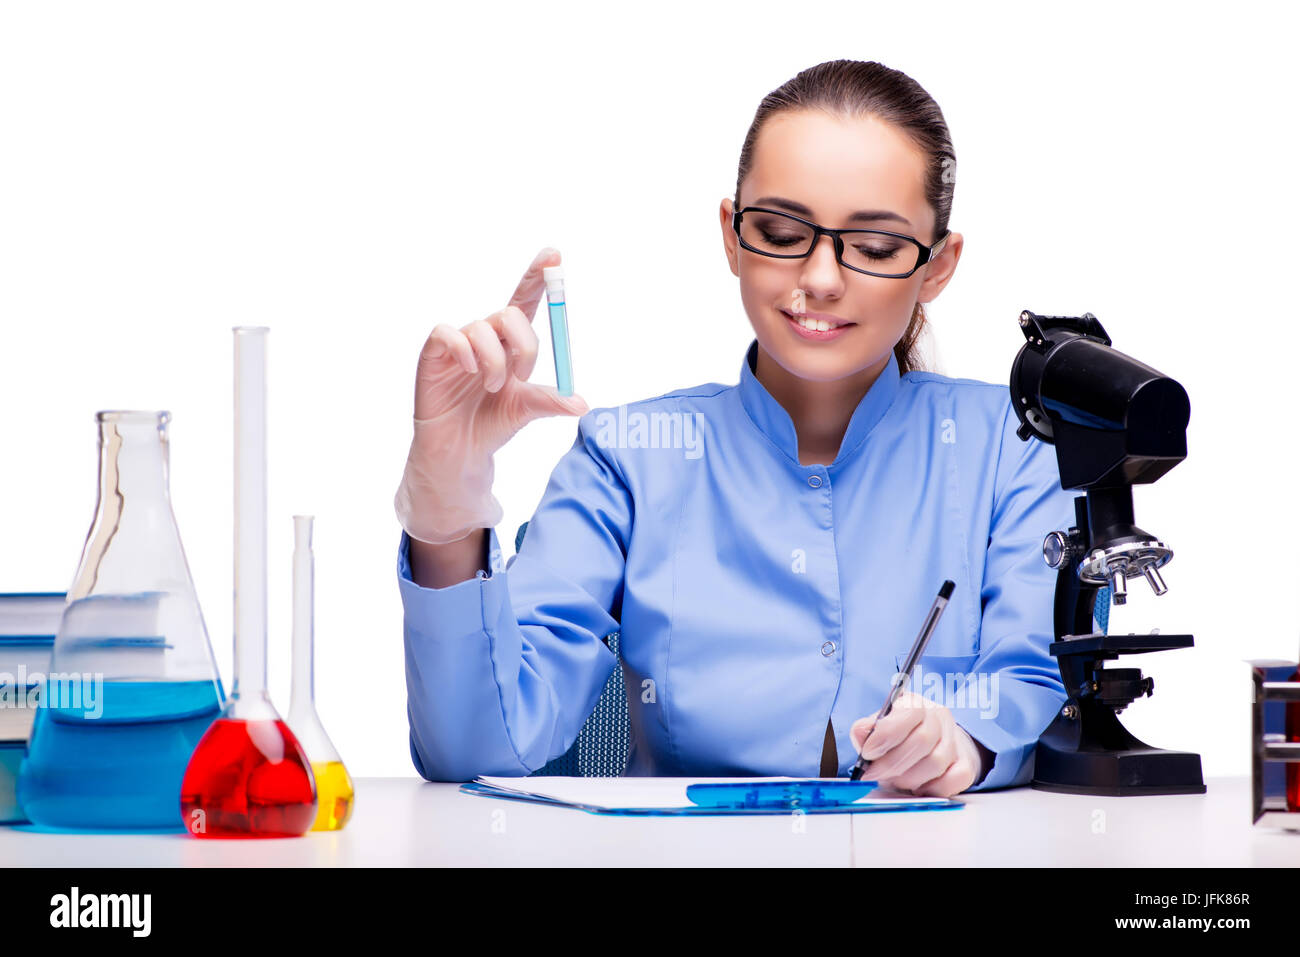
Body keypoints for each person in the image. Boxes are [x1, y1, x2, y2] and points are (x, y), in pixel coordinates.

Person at [393, 59, 1077, 797]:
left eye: (875, 247)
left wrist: (965, 739)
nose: (819, 277)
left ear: (937, 266)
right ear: (731, 234)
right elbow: (472, 747)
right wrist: (447, 509)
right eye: (781, 232)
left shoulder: (1014, 446)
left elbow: (1036, 673)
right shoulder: (627, 461)